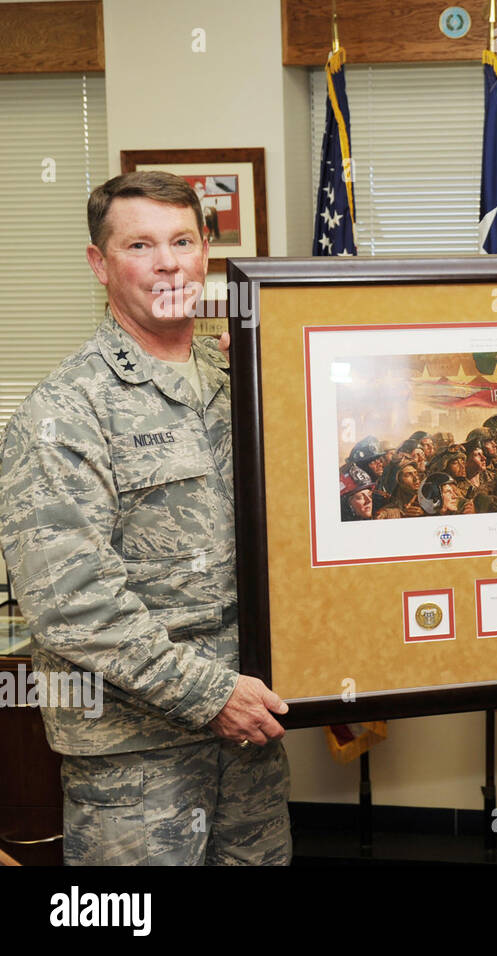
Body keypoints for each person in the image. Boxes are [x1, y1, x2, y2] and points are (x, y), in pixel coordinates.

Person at [0, 171, 291, 865]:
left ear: (205, 254)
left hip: (249, 732)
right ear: (100, 264)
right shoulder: (64, 412)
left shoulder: (240, 383)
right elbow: (71, 604)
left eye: (183, 240)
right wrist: (209, 693)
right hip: (136, 757)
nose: (167, 262)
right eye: (140, 244)